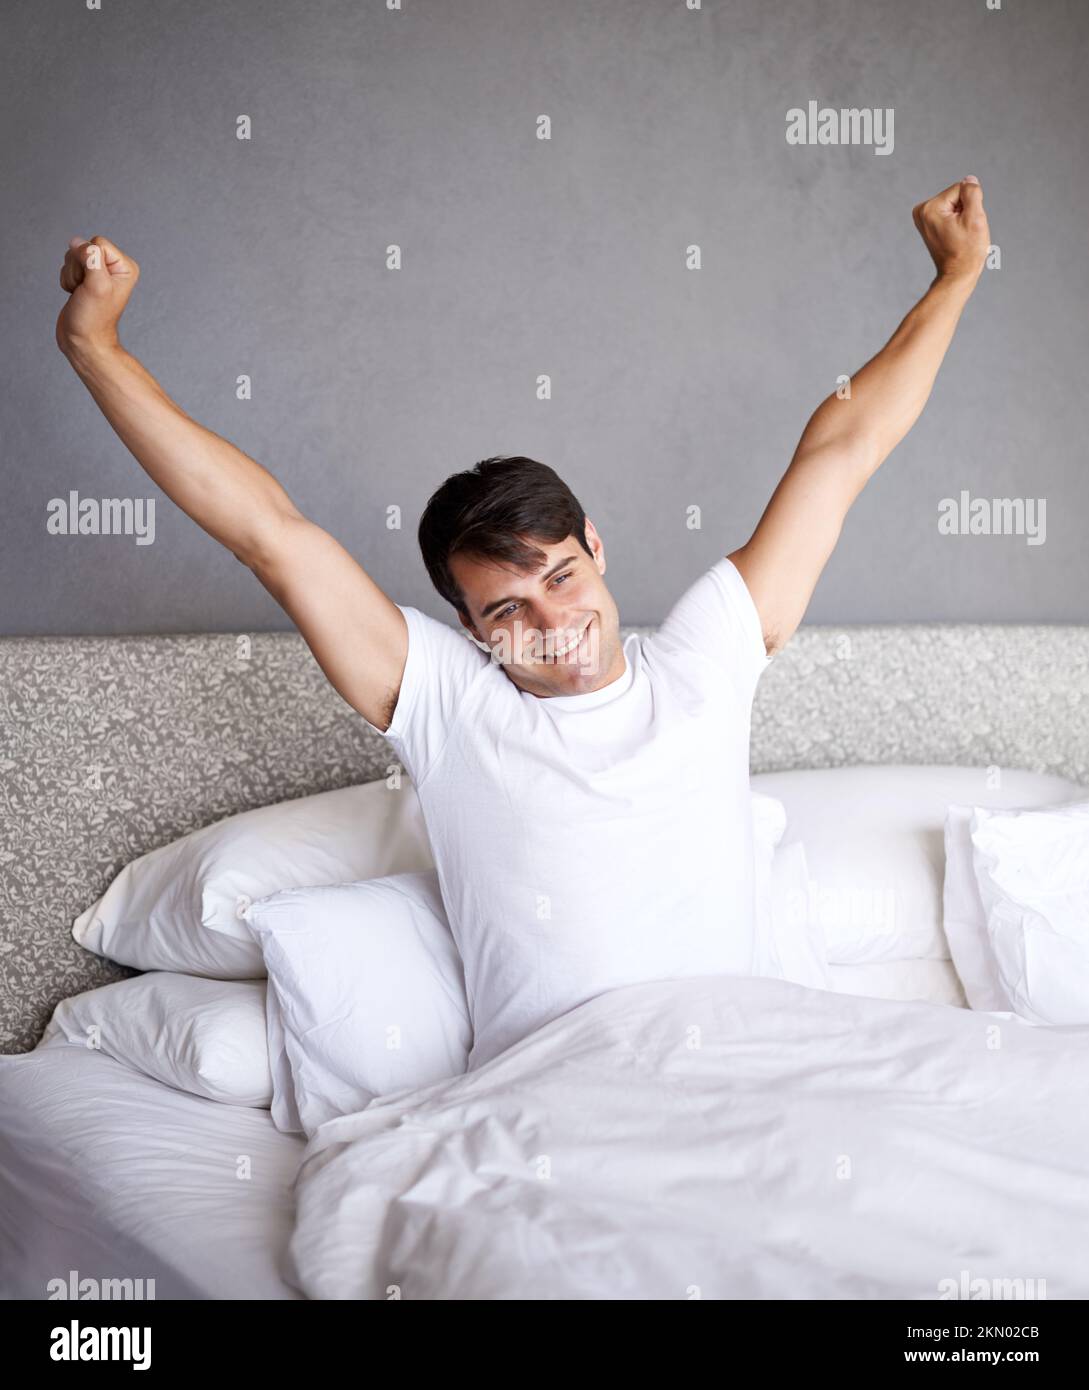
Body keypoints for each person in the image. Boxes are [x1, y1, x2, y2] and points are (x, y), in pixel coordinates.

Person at [55, 178, 991, 1066]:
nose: (554, 620)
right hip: (563, 1095)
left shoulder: (703, 659)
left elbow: (841, 449)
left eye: (562, 574)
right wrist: (97, 346)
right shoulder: (450, 706)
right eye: (508, 606)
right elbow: (270, 534)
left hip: (751, 1065)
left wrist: (952, 279)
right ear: (466, 627)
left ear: (594, 544)